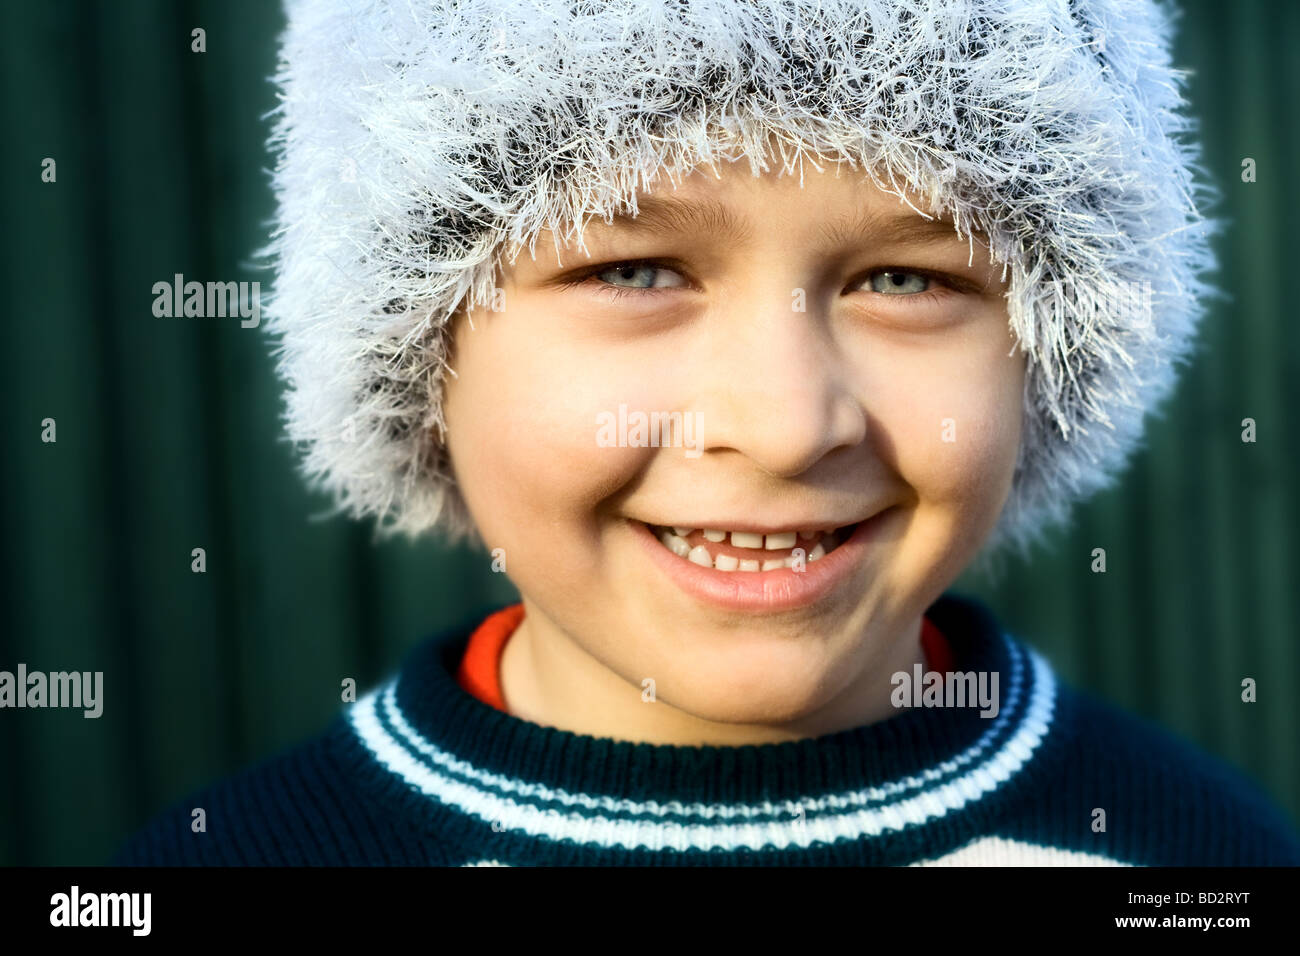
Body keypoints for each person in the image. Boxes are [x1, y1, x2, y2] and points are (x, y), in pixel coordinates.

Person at [112, 0, 1300, 865]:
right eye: (633, 268)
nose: (784, 427)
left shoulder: (1187, 853)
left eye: (901, 277)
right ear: (419, 352)